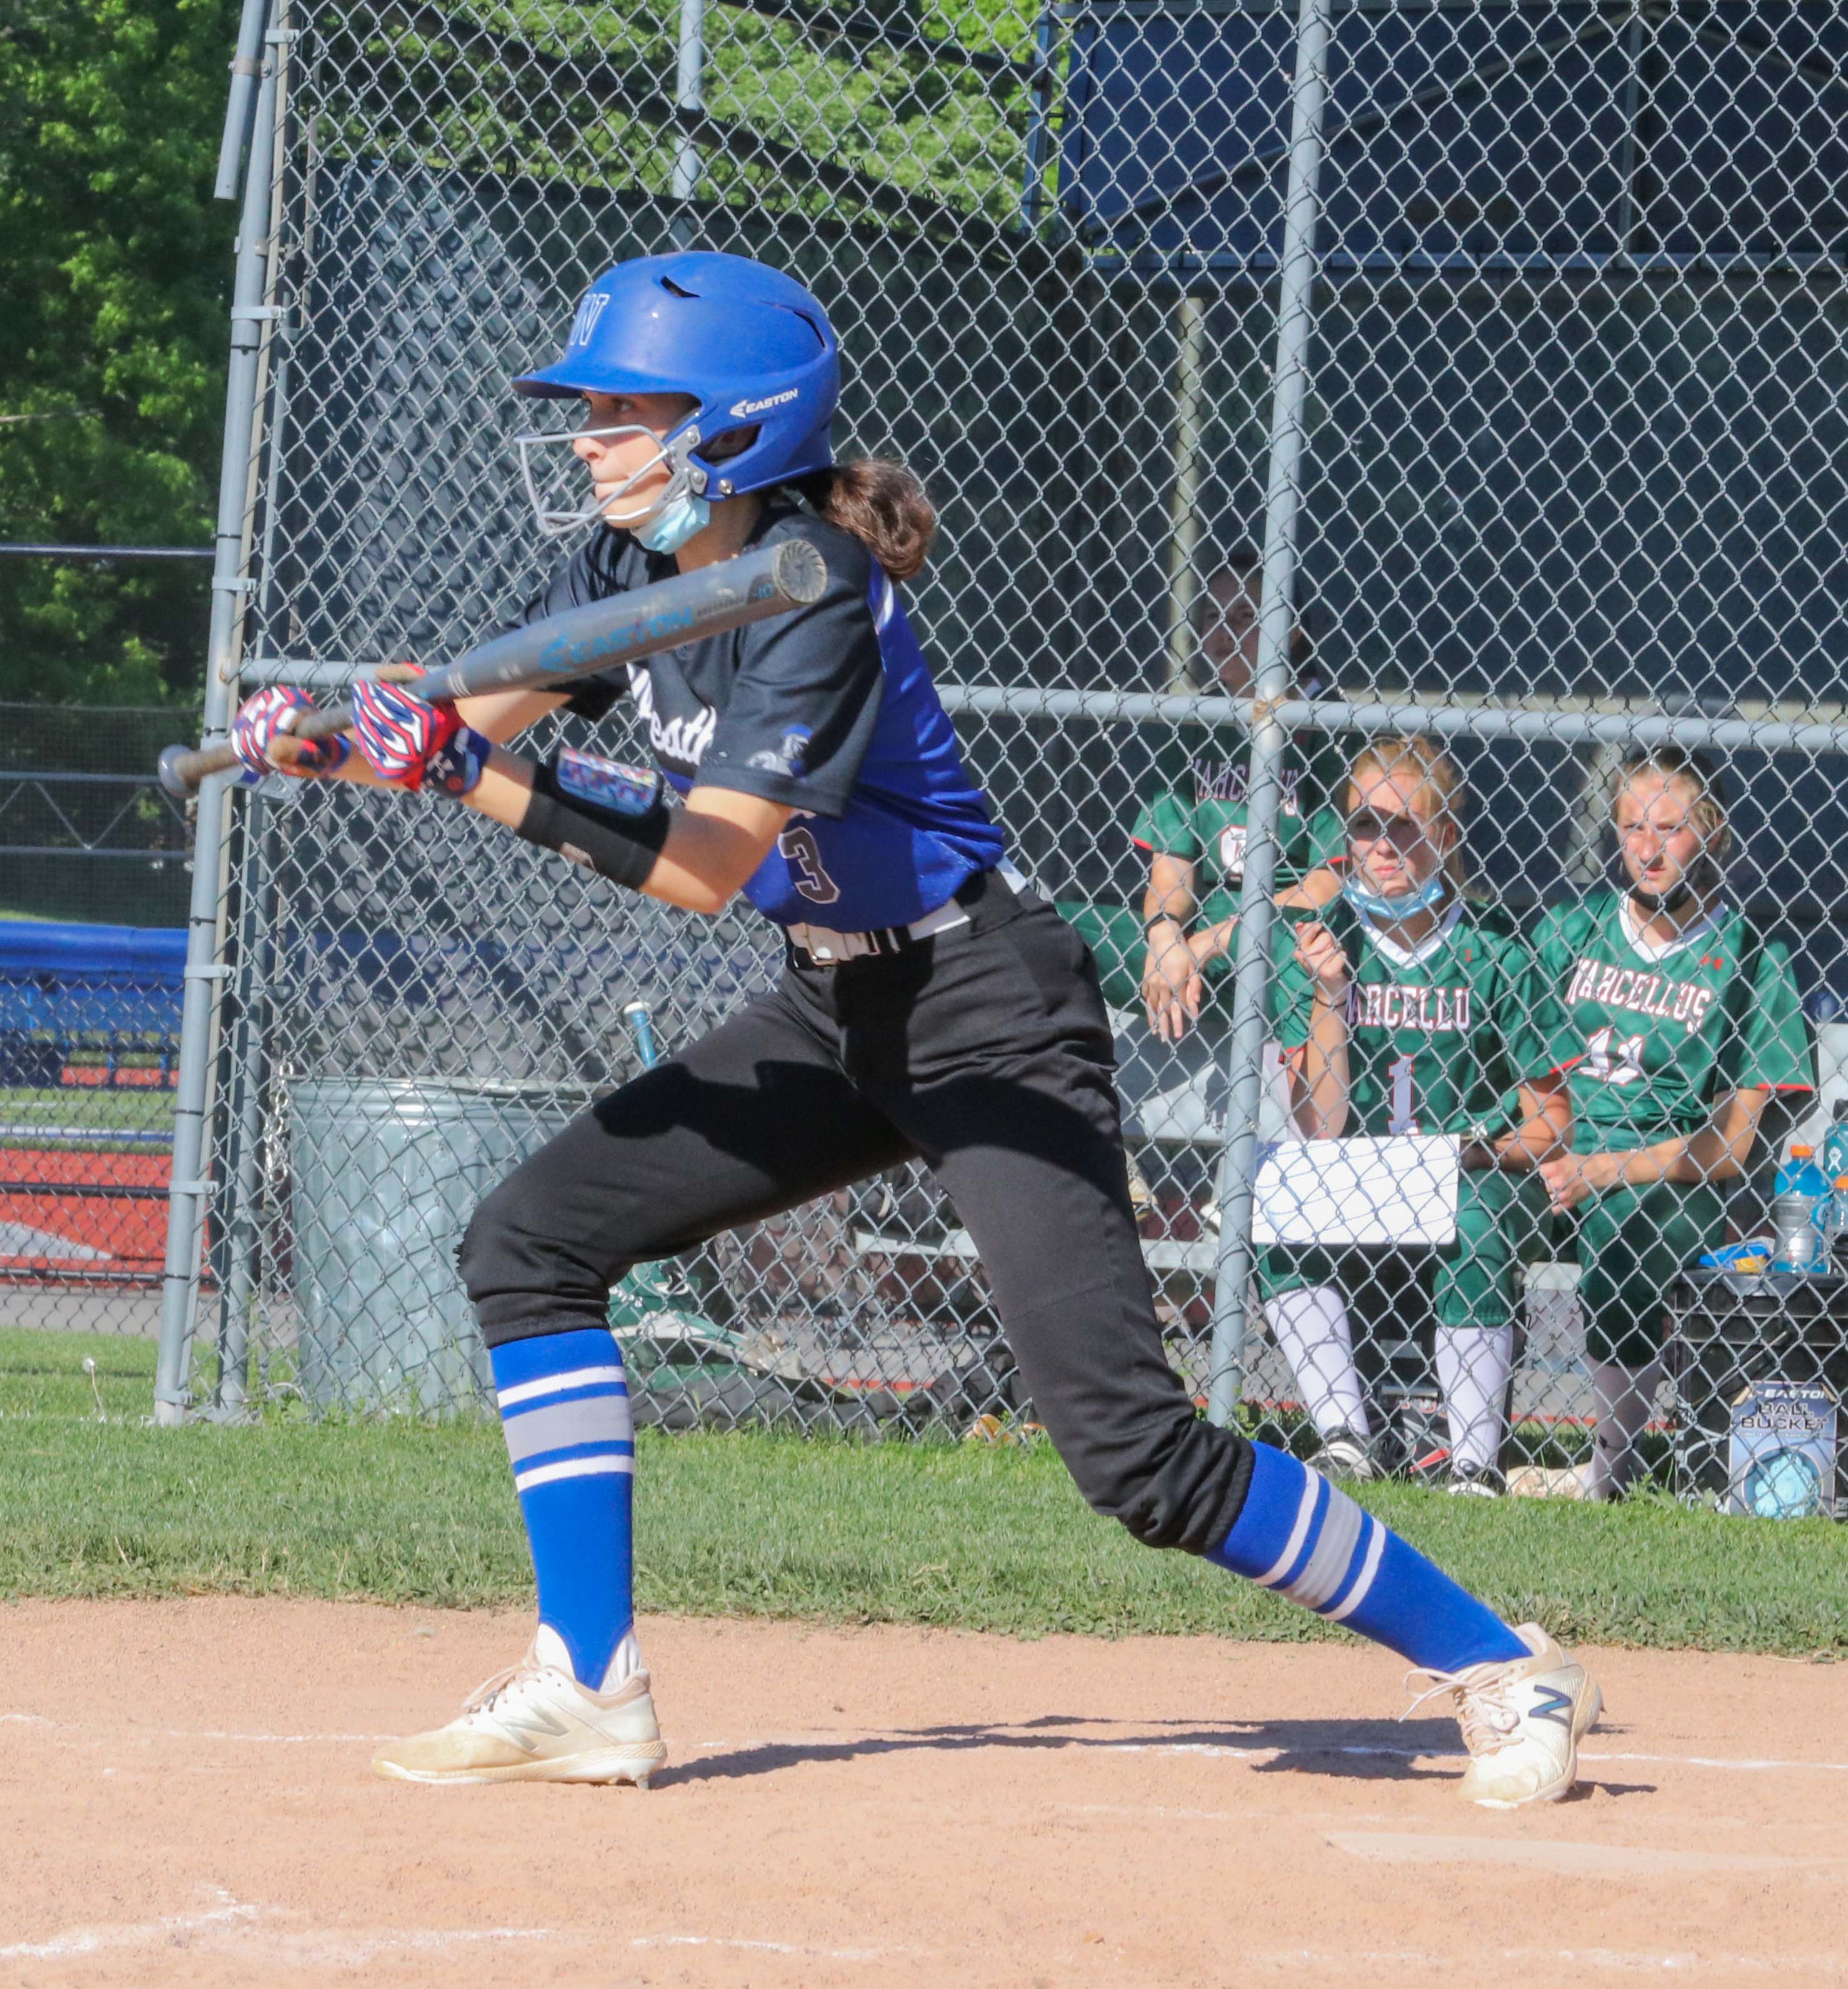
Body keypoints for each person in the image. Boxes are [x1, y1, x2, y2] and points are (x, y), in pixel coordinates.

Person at [229, 250, 1599, 1808]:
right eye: (591, 410)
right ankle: (588, 1681)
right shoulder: (623, 563)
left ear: (733, 425)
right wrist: (343, 737)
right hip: (834, 1004)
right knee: (528, 1241)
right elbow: (467, 717)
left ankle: (1504, 1661)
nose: (591, 438)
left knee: (1133, 1454)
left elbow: (705, 864)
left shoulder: (810, 586)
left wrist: (458, 774)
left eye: (625, 410)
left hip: (986, 1006)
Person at [1261, 736, 1569, 1495]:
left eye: (1405, 824)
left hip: (1470, 1176)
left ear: (1446, 833)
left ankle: (1473, 1464)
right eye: (1365, 824)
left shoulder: (1496, 946)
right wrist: (1331, 994)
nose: (1383, 843)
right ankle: (1344, 1438)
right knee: (1274, 1202)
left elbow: (1552, 1121)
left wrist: (1471, 1152)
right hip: (1360, 1176)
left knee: (1476, 1218)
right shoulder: (1320, 940)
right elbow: (1321, 1126)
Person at [1531, 747, 1814, 1497]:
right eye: (1633, 827)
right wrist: (1547, 1149)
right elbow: (1518, 1067)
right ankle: (1462, 1453)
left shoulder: (1750, 957)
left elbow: (1729, 1146)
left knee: (1639, 1226)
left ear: (1713, 834)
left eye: (1671, 828)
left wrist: (1604, 1170)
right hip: (1552, 1147)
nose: (1648, 850)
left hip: (1662, 1170)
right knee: (1475, 1208)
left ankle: (1609, 1470)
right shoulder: (1569, 932)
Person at [1135, 548, 1346, 1045]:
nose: (1225, 632)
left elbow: (1327, 884)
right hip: (1201, 924)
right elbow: (1172, 867)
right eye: (1214, 615)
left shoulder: (1330, 724)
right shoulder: (1197, 721)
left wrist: (1216, 938)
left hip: (1289, 931)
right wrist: (1165, 935)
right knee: (1067, 931)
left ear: (1291, 632)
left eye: (1246, 616)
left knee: (1293, 955)